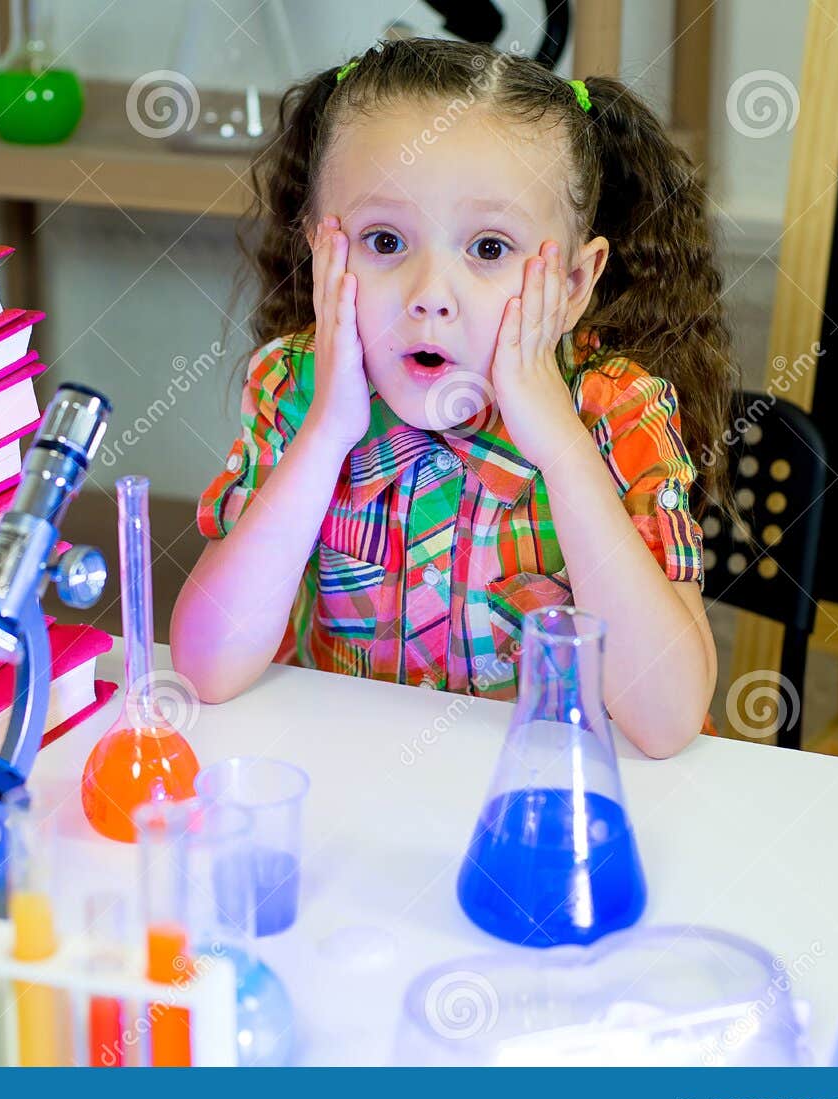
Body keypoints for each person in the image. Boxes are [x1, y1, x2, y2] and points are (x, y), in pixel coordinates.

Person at [171, 38, 735, 758]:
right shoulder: (295, 389)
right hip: (364, 809)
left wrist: (561, 450)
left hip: (546, 820)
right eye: (383, 240)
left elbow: (666, 719)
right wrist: (325, 432)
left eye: (490, 249)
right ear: (321, 254)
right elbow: (205, 668)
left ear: (572, 286)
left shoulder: (615, 409)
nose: (430, 296)